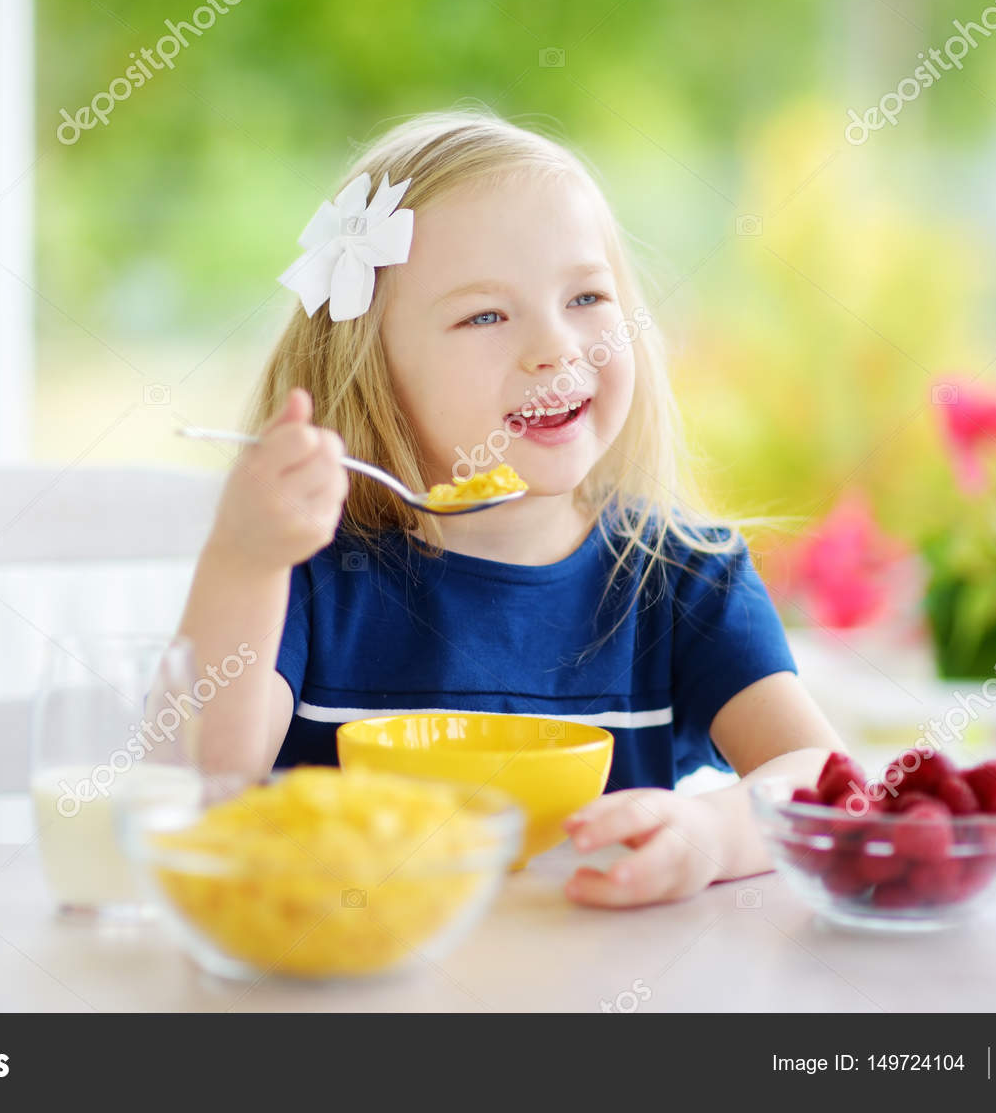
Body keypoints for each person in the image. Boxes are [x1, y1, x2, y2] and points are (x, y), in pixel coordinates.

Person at [178, 109, 843, 907]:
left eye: (588, 296)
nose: (558, 347)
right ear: (369, 371)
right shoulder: (314, 576)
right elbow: (201, 785)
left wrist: (713, 834)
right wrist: (246, 560)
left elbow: (825, 781)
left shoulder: (684, 581)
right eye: (485, 315)